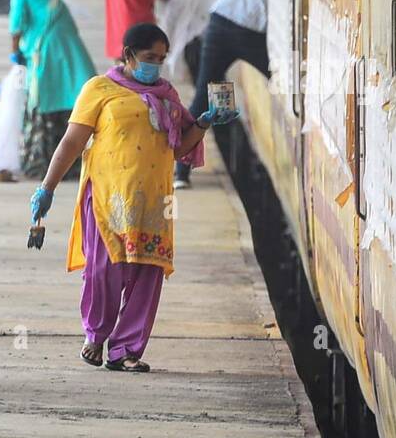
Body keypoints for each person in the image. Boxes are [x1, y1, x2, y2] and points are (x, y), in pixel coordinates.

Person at [29, 23, 239, 372]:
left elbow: (178, 148)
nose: (154, 65)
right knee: (104, 271)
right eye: (148, 57)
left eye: (160, 58)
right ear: (127, 55)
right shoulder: (99, 89)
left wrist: (203, 123)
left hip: (155, 202)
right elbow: (71, 142)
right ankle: (95, 336)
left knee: (147, 275)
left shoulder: (166, 95)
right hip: (108, 198)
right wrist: (46, 188)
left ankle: (126, 350)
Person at [173, 0, 269, 189]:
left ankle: (181, 173)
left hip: (218, 21)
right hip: (247, 31)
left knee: (203, 96)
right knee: (284, 81)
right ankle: (181, 168)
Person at [8, 0, 98, 179]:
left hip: (44, 55)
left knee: (41, 105)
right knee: (69, 108)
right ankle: (72, 166)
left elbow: (15, 29)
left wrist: (16, 56)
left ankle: (40, 165)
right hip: (69, 53)